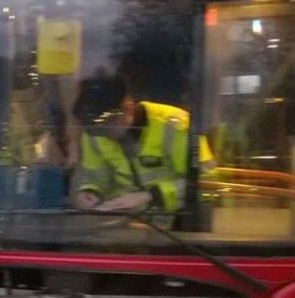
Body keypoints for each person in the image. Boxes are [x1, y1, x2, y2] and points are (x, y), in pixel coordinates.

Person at [71, 76, 214, 212]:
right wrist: (89, 191)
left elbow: (206, 181)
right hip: (123, 226)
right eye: (93, 128)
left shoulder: (176, 126)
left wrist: (150, 196)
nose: (101, 132)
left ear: (128, 109)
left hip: (177, 229)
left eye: (106, 123)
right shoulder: (94, 134)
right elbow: (93, 175)